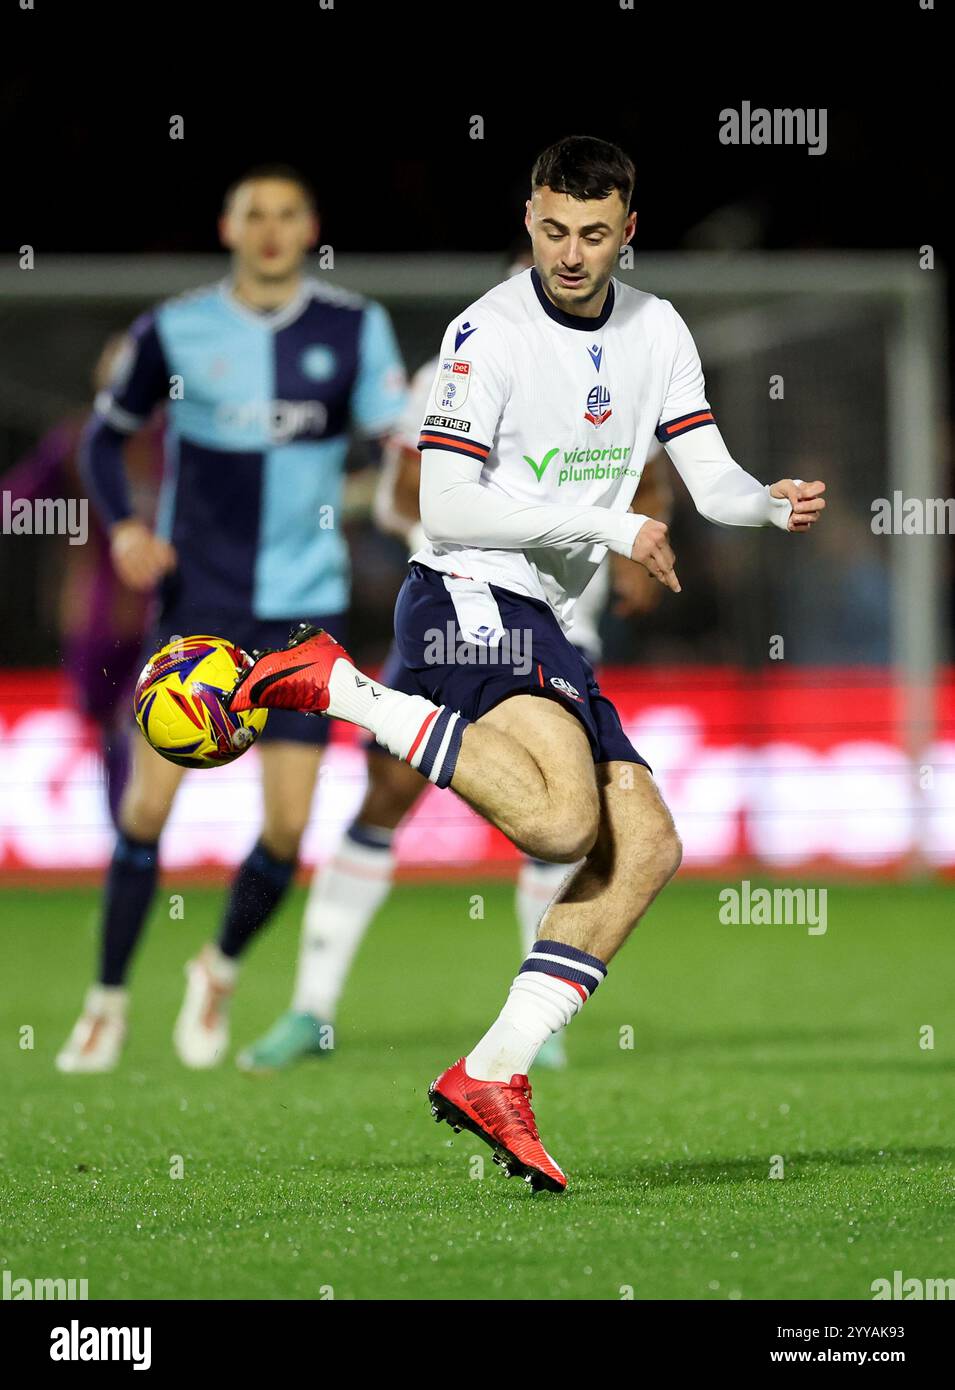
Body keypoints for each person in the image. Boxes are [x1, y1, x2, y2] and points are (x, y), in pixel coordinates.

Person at [228, 134, 826, 1192]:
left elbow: (707, 468)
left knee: (644, 846)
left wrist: (765, 500)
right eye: (551, 229)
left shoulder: (657, 328)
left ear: (627, 234)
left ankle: (493, 1070)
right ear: (529, 219)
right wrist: (610, 522)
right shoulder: (485, 333)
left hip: (541, 612)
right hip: (463, 593)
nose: (569, 252)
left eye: (593, 234)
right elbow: (444, 499)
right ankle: (344, 687)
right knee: (559, 824)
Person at [238, 270, 673, 1075]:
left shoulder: (622, 369)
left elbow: (652, 475)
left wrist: (645, 536)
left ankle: (532, 1026)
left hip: (566, 622)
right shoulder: (459, 367)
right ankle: (311, 1008)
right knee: (392, 798)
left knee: (571, 819)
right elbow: (405, 493)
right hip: (465, 605)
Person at [56, 164, 407, 1074]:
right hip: (197, 606)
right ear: (229, 226)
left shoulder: (351, 327)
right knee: (146, 807)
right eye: (255, 213)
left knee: (288, 831)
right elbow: (100, 435)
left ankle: (217, 967)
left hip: (301, 610)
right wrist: (127, 527)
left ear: (308, 227)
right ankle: (106, 1002)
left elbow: (396, 445)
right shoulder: (174, 328)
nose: (271, 229)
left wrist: (416, 499)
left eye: (288, 214)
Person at [1, 336, 162, 823]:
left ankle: (136, 836)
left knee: (147, 722)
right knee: (116, 727)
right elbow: (16, 506)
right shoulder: (75, 443)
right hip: (97, 615)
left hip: (166, 613)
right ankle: (130, 839)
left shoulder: (178, 446)